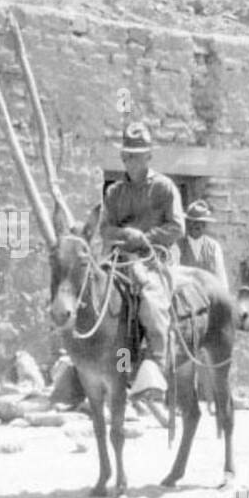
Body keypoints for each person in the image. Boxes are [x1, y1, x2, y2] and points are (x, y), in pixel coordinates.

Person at [99, 122, 184, 403]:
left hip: (154, 258)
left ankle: (157, 366)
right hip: (120, 259)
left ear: (149, 157)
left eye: (138, 155)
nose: (132, 161)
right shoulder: (114, 193)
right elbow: (105, 229)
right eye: (127, 156)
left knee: (150, 298)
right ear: (122, 158)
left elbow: (176, 228)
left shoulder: (164, 188)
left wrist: (144, 237)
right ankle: (100, 365)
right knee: (94, 291)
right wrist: (124, 234)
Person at [178, 199, 229, 289]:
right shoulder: (178, 246)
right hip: (184, 296)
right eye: (191, 222)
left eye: (199, 223)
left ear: (204, 225)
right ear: (186, 223)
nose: (194, 225)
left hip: (208, 296)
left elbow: (221, 278)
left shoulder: (214, 247)